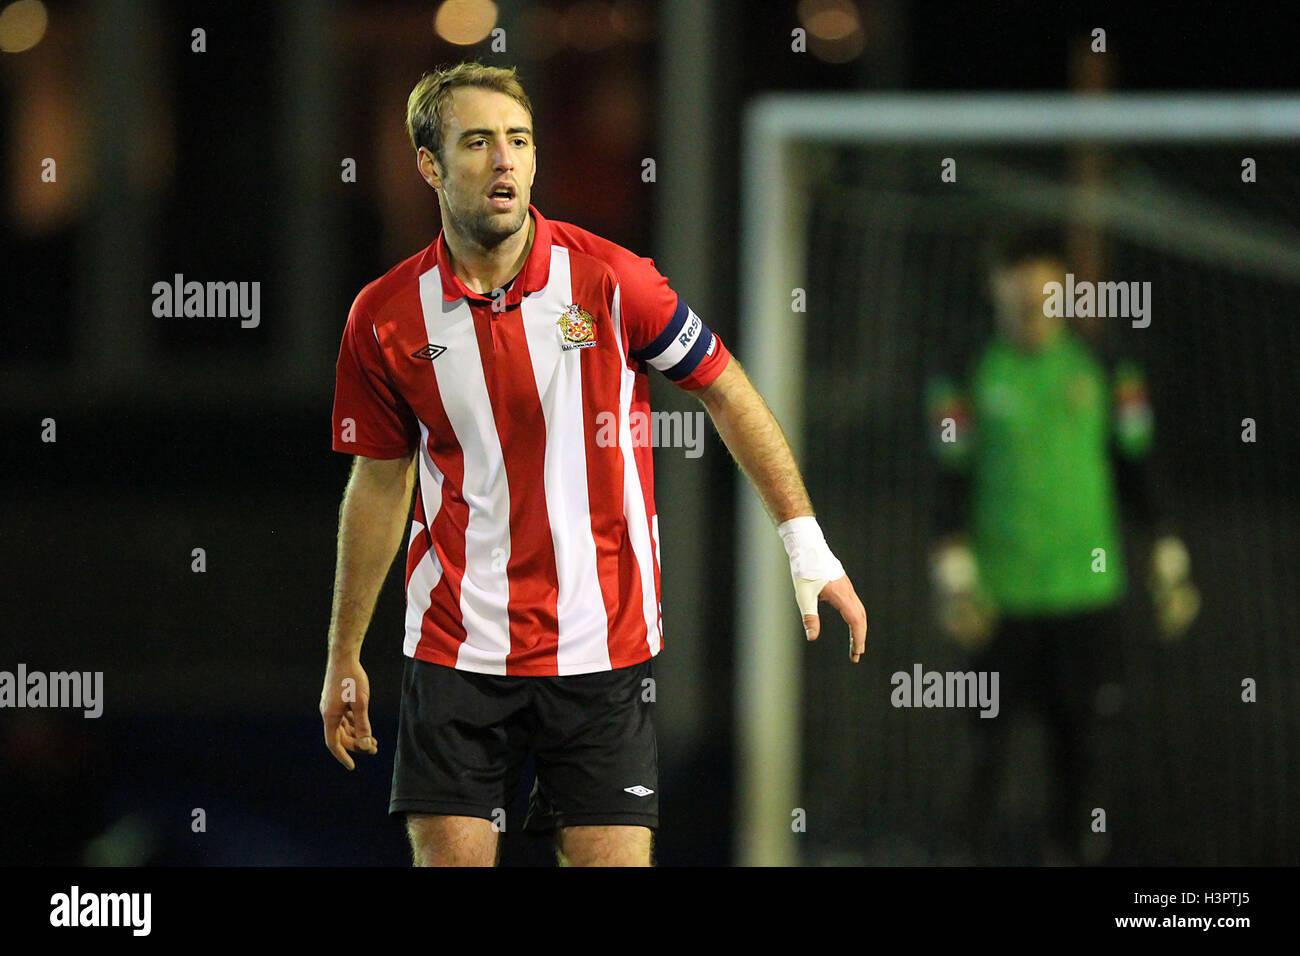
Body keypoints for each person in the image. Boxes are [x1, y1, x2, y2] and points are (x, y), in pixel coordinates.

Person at [319, 63, 867, 867]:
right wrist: (343, 654)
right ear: (430, 165)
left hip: (601, 654)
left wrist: (806, 545)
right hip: (455, 653)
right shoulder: (384, 317)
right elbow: (378, 481)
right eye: (477, 142)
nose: (505, 161)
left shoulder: (612, 281)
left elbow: (728, 391)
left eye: (519, 141)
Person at [927, 231, 1198, 865]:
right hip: (1002, 602)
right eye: (1019, 291)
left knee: (1085, 756)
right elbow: (949, 475)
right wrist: (953, 567)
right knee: (982, 754)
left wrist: (1166, 552)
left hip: (1087, 598)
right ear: (997, 291)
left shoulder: (1105, 368)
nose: (1033, 305)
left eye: (1045, 291)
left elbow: (1137, 465)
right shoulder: (966, 372)